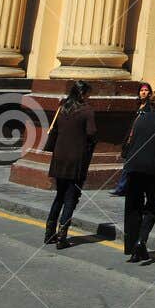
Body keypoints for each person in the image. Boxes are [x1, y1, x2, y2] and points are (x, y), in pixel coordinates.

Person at [120, 89, 155, 263]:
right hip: (154, 171)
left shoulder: (140, 119)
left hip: (134, 168)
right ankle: (141, 241)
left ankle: (132, 246)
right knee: (151, 207)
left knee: (133, 206)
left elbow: (130, 143)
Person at [44, 81, 96, 250]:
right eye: (88, 94)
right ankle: (62, 235)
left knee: (60, 195)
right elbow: (91, 133)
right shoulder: (87, 111)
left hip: (59, 157)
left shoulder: (63, 108)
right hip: (76, 159)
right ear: (82, 94)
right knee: (71, 198)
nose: (89, 97)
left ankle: (49, 232)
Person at [112, 81, 152, 196]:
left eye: (146, 90)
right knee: (128, 163)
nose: (143, 92)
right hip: (131, 138)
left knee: (130, 165)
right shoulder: (138, 105)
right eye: (141, 90)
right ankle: (123, 188)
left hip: (141, 140)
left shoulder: (150, 107)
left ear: (150, 93)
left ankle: (122, 188)